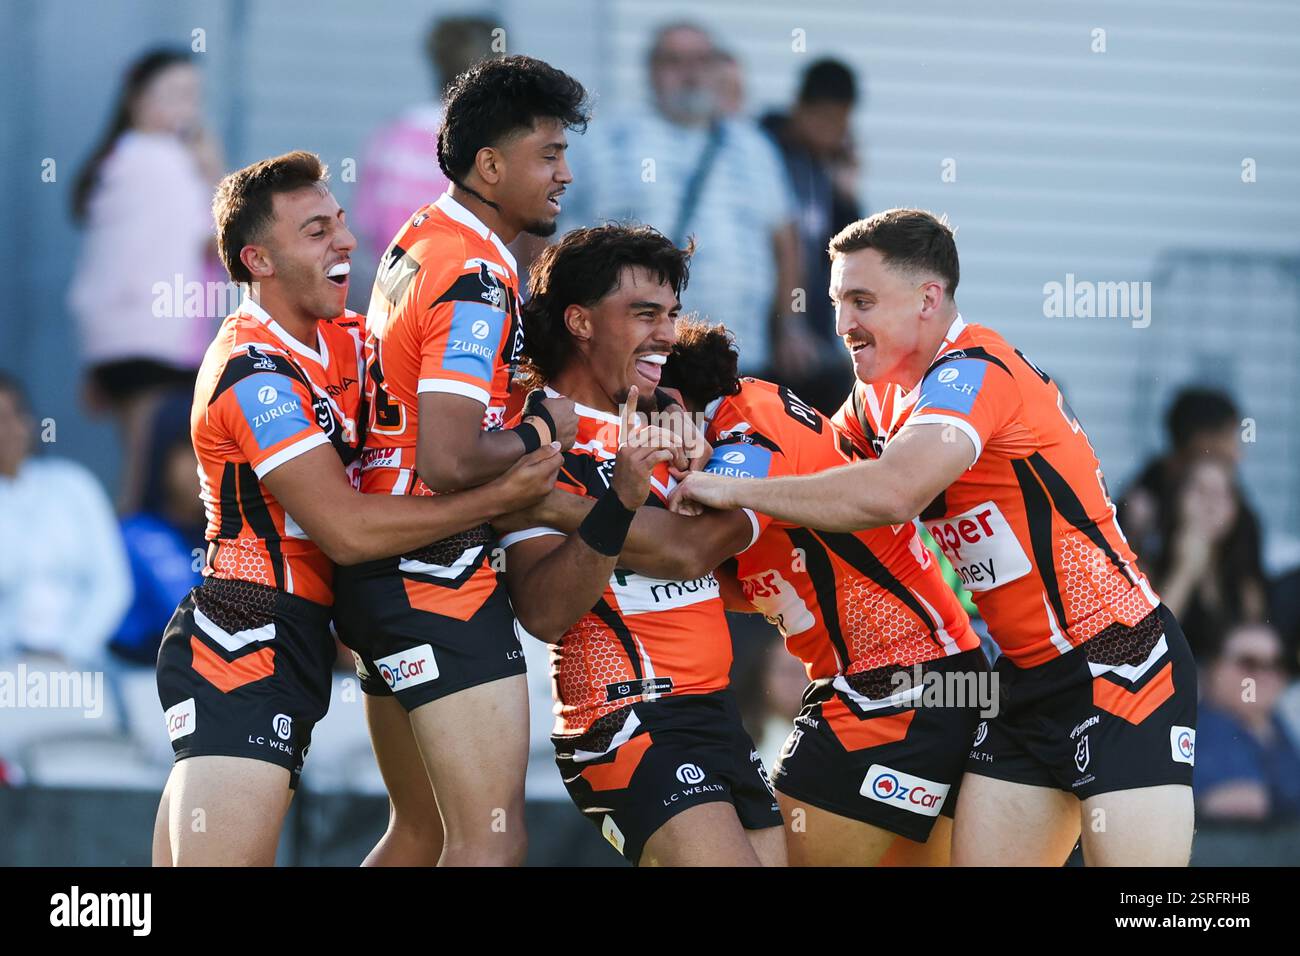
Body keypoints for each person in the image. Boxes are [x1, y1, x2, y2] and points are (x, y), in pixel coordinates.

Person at [670, 208, 1198, 866]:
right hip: (1022, 685)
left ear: (928, 299)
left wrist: (733, 487)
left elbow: (894, 492)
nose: (843, 326)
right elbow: (814, 485)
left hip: (1121, 662)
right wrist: (705, 455)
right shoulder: (878, 400)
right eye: (837, 302)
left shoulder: (973, 369)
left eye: (862, 301)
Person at [152, 151, 561, 867]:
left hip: (314, 625)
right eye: (316, 231)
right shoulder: (251, 368)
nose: (345, 242)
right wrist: (498, 496)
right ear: (259, 260)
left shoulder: (346, 338)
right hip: (244, 631)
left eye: (341, 223)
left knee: (425, 831)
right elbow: (344, 529)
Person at [331, 56, 589, 867]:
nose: (565, 174)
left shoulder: (420, 234)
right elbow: (448, 456)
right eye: (548, 154)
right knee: (489, 841)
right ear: (491, 165)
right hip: (434, 577)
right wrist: (546, 427)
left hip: (389, 575)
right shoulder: (476, 271)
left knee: (420, 836)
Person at [494, 224, 783, 867]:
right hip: (625, 718)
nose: (667, 335)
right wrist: (620, 504)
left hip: (715, 715)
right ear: (581, 321)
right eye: (644, 314)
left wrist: (690, 468)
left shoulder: (667, 422)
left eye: (672, 315)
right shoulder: (537, 436)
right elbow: (542, 613)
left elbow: (696, 551)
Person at [658, 320, 986, 866]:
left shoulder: (744, 432)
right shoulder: (755, 409)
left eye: (633, 414)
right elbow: (763, 580)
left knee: (758, 861)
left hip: (890, 687)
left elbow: (687, 551)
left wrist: (572, 517)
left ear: (673, 399)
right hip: (934, 681)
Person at [562, 22, 812, 381]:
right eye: (674, 61)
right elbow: (545, 222)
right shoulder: (606, 139)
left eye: (701, 61)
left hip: (739, 358)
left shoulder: (754, 147)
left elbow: (784, 240)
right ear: (651, 70)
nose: (690, 74)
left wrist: (790, 325)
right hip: (636, 359)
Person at [68, 47, 224, 512]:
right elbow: (220, 236)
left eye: (193, 95)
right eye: (173, 94)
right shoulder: (161, 161)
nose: (186, 108)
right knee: (147, 479)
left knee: (141, 467)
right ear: (136, 99)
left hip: (121, 341)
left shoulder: (117, 159)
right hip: (156, 340)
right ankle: (133, 571)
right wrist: (213, 170)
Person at [0, 373, 131, 665]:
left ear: (30, 422)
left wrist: (72, 648)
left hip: (83, 661)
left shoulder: (73, 485)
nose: (7, 430)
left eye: (14, 416)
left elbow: (112, 582)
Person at [352, 15, 498, 274]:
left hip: (395, 292)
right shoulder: (494, 145)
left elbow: (367, 226)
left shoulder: (391, 137)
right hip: (470, 293)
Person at [759, 58, 863, 414]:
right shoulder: (762, 151)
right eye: (828, 121)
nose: (835, 132)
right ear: (802, 109)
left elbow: (840, 246)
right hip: (770, 334)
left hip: (812, 334)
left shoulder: (821, 162)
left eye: (842, 123)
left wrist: (847, 193)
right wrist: (785, 326)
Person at [108, 394, 205, 666]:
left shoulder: (234, 540)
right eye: (190, 450)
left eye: (215, 451)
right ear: (162, 456)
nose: (204, 466)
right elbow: (189, 623)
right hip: (138, 688)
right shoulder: (135, 535)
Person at [1118, 386, 1255, 567]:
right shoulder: (1141, 508)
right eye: (1228, 438)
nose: (1237, 454)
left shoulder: (1238, 511)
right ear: (1200, 441)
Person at [1151, 455, 1268, 660]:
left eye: (1222, 493)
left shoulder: (1245, 578)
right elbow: (1150, 645)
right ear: (1177, 497)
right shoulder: (1145, 564)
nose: (1210, 503)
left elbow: (1254, 655)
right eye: (1199, 490)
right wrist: (1184, 571)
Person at [1195, 622, 1300, 823]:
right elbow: (1243, 803)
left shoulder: (1274, 723)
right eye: (1249, 664)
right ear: (1215, 669)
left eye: (1276, 664)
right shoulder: (1209, 727)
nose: (1265, 675)